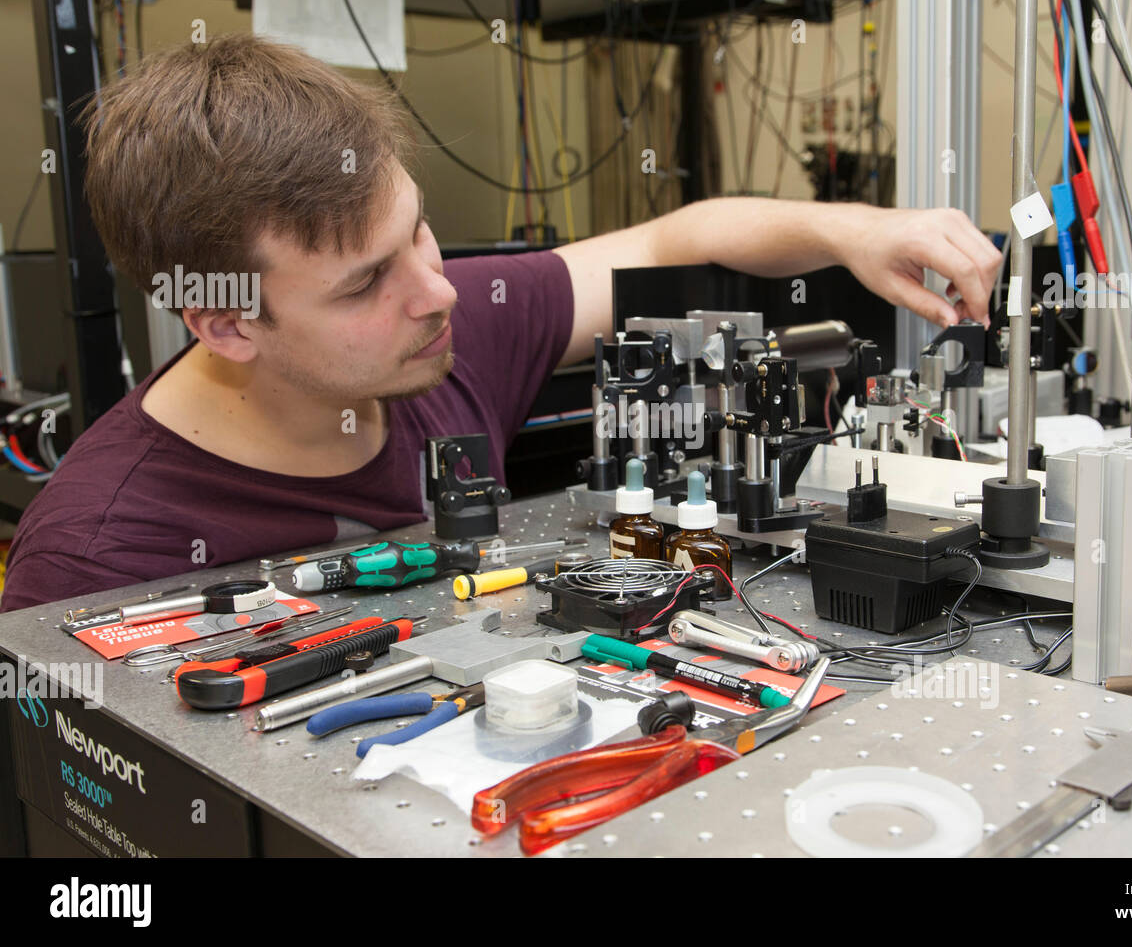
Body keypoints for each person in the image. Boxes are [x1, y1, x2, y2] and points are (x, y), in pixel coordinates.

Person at [0, 34, 1000, 611]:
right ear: (224, 325)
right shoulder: (98, 557)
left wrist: (859, 227)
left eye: (418, 231)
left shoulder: (449, 331)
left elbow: (674, 240)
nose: (435, 291)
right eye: (361, 286)